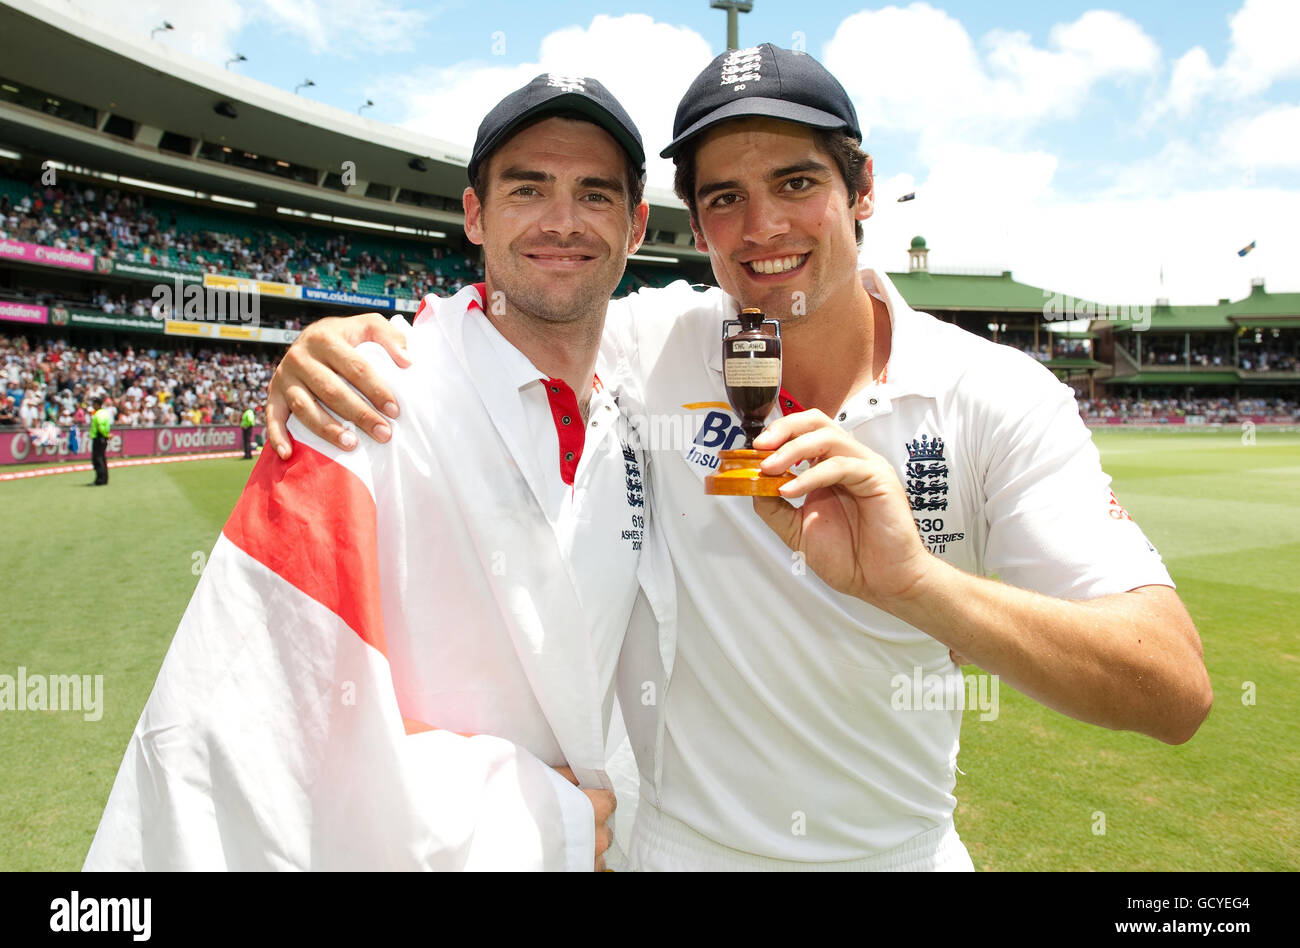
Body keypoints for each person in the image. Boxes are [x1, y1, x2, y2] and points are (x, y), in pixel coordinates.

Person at [264, 46, 1212, 871]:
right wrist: (339, 345)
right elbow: (512, 316)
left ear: (863, 187)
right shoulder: (653, 341)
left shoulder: (992, 393)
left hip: (898, 854)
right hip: (673, 851)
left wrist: (915, 583)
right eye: (725, 199)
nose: (761, 228)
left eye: (796, 183)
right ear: (691, 218)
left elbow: (1173, 687)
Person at [85, 74, 661, 871]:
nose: (562, 221)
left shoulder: (647, 400)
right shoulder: (361, 401)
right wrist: (537, 819)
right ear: (474, 214)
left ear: (635, 227)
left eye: (595, 195)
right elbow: (241, 737)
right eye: (529, 188)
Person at [89, 398, 112, 485]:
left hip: (99, 438)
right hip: (102, 437)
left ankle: (100, 480)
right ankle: (104, 479)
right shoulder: (105, 413)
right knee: (102, 458)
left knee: (98, 459)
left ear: (98, 404)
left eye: (94, 404)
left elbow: (100, 426)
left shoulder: (98, 414)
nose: (93, 406)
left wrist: (105, 435)